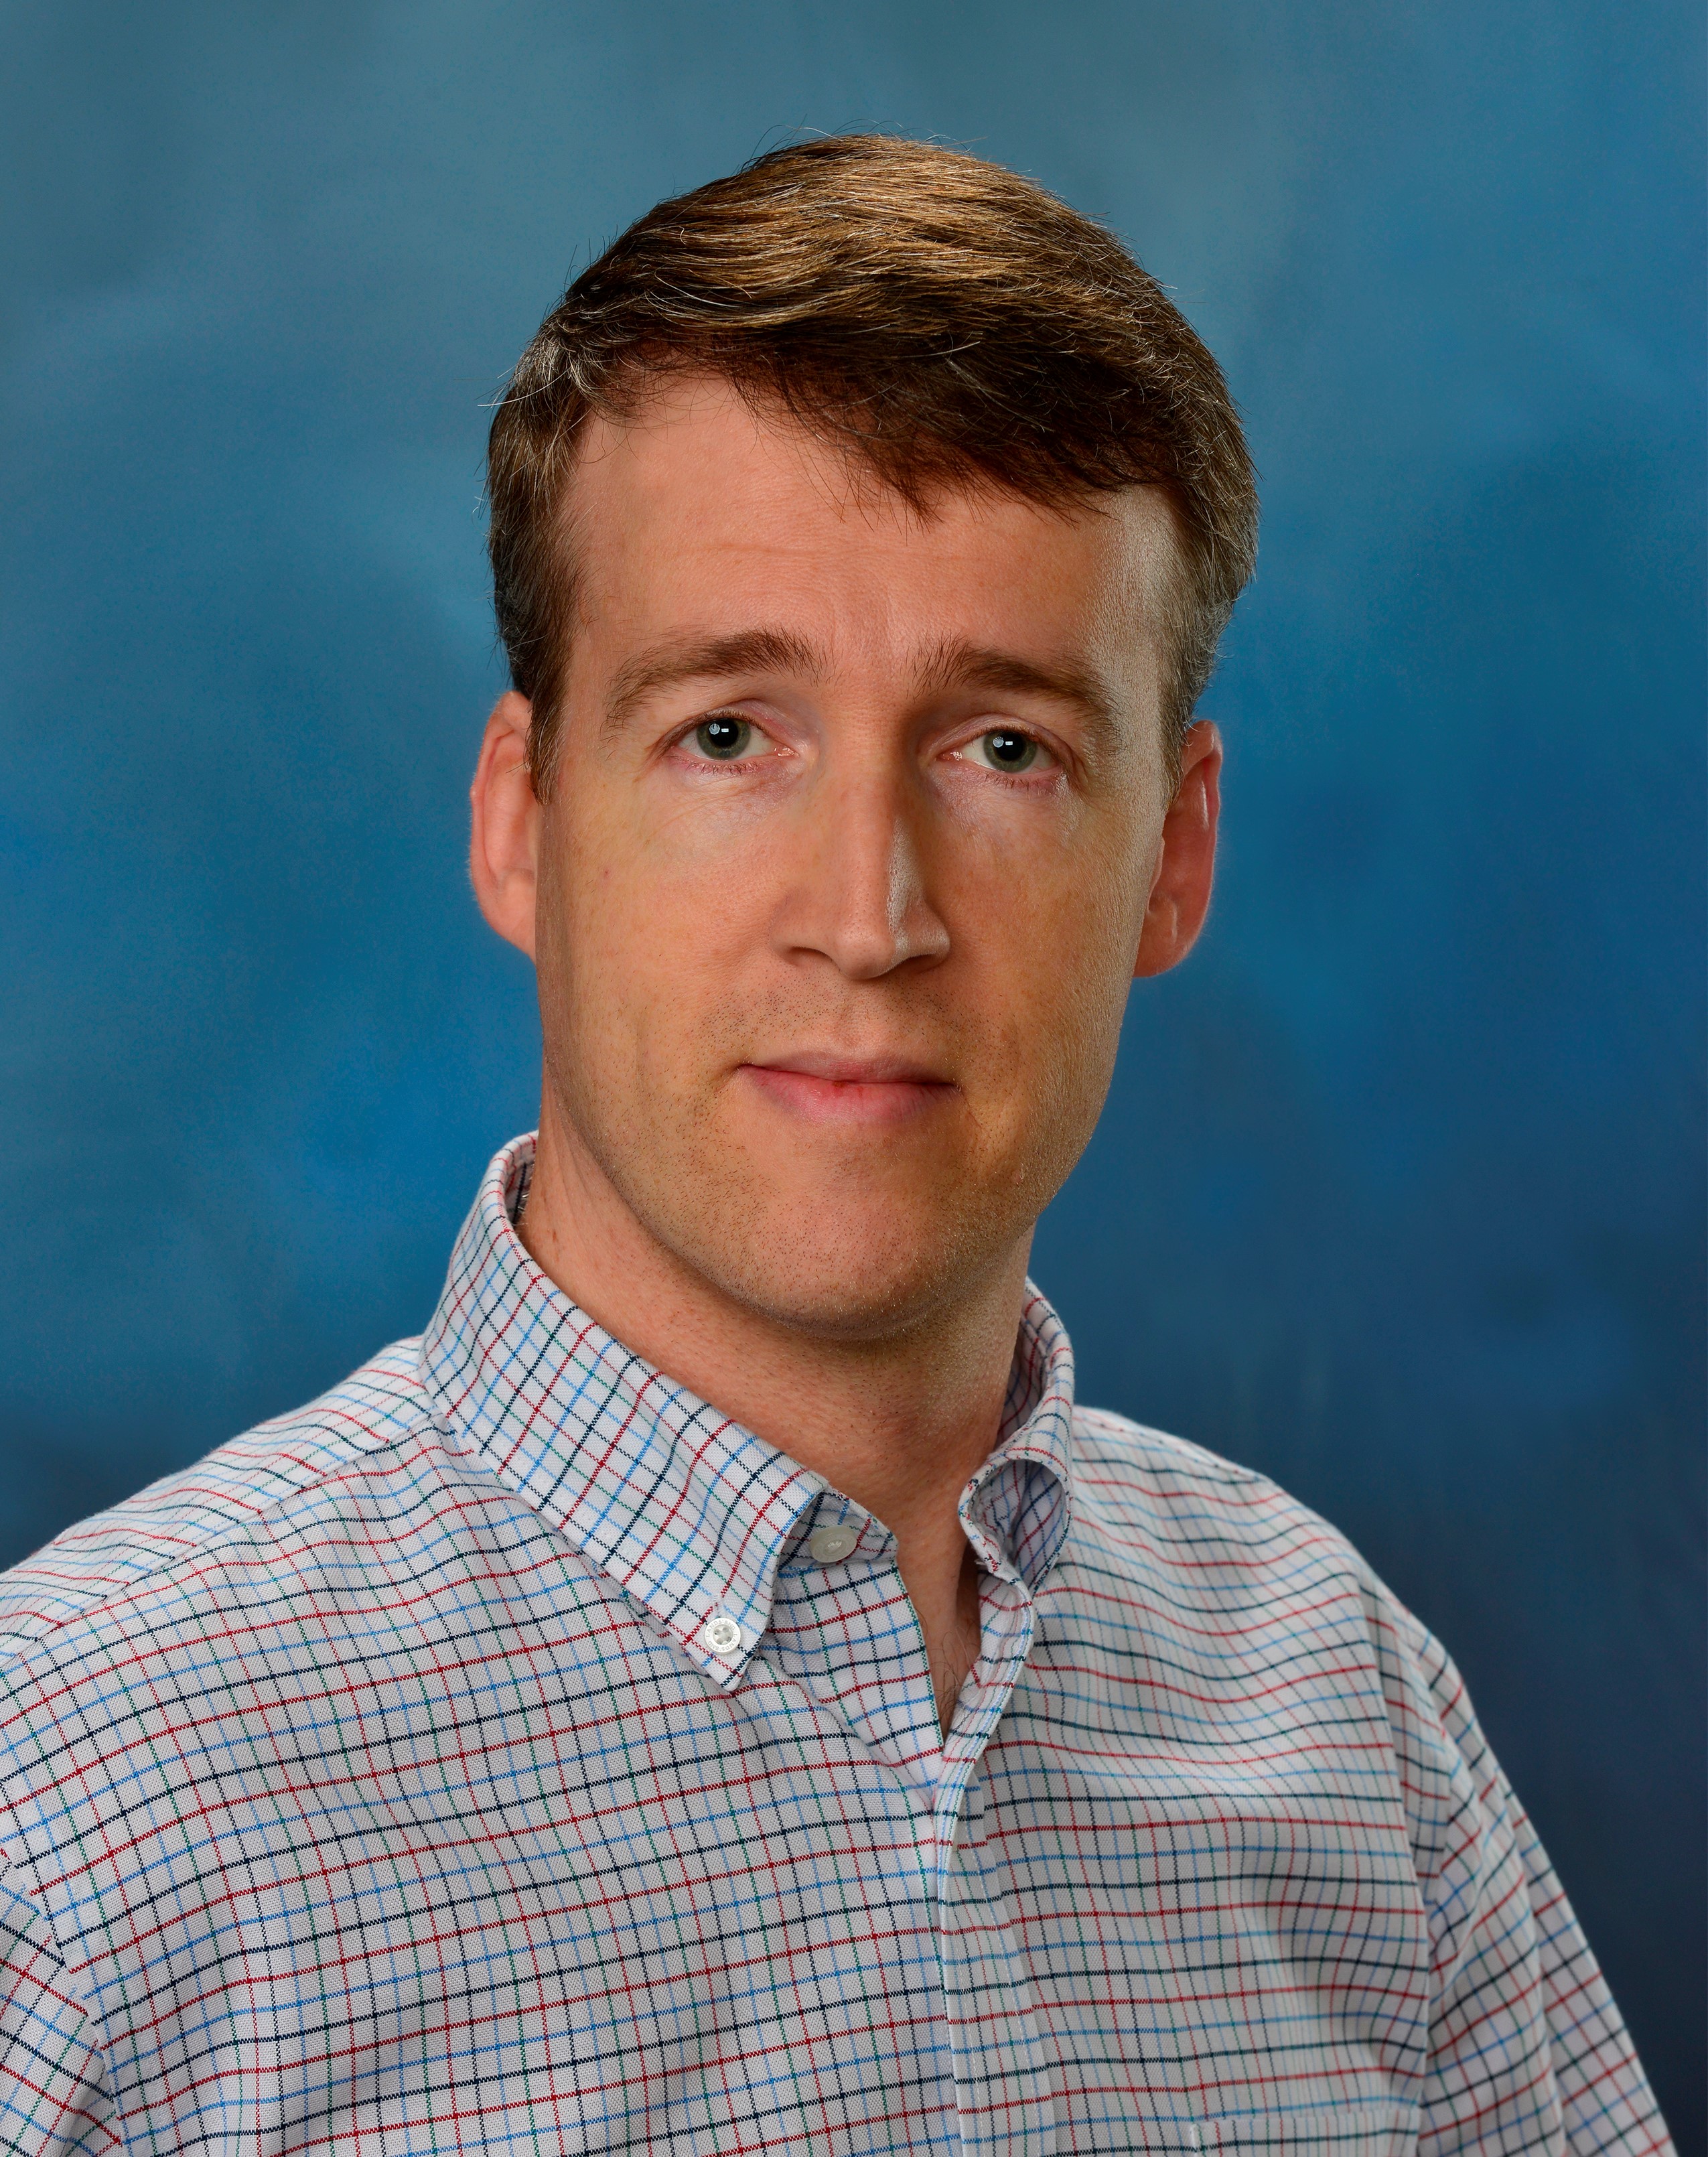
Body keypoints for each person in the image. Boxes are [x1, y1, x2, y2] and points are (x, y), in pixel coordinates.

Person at [0, 137, 1668, 2157]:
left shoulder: (1349, 1722)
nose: (869, 917)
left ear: (1176, 854)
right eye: (728, 733)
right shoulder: (72, 1813)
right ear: (522, 818)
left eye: (1005, 749)